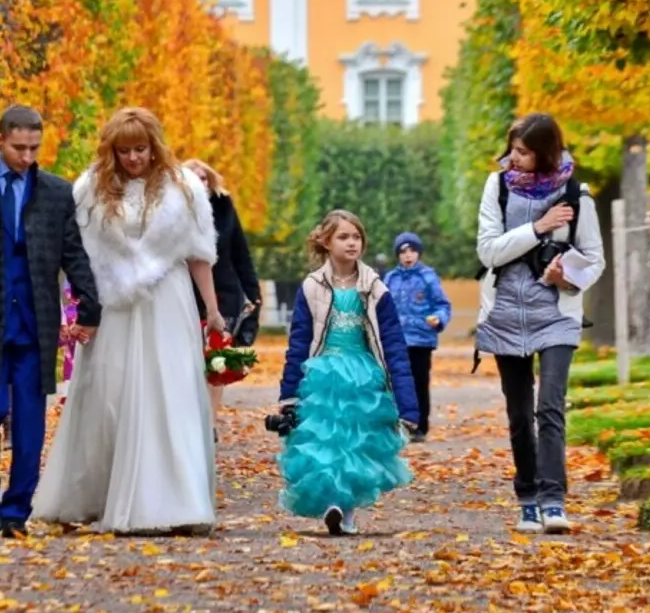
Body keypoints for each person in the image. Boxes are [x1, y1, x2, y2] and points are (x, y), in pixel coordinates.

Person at [33, 107, 226, 535]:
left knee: (169, 392)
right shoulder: (89, 189)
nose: (134, 158)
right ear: (112, 151)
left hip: (168, 300)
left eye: (140, 149)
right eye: (124, 151)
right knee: (108, 393)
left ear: (154, 145)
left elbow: (199, 254)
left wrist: (212, 310)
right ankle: (93, 496)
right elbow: (77, 254)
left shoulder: (186, 189)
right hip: (113, 302)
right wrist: (81, 308)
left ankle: (178, 501)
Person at [0, 105, 102, 540]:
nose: (28, 156)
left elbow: (73, 254)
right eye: (19, 148)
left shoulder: (56, 193)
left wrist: (90, 308)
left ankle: (16, 512)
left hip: (36, 324)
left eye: (35, 148)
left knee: (31, 428)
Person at [475, 113, 604, 534]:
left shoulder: (576, 194)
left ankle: (553, 500)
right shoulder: (496, 188)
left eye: (524, 151)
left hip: (556, 315)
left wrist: (565, 276)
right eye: (512, 148)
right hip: (505, 314)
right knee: (518, 414)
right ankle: (527, 496)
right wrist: (538, 228)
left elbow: (594, 257)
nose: (513, 158)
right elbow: (489, 252)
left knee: (550, 406)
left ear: (545, 152)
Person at [276, 210, 419, 536]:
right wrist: (288, 394)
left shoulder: (375, 288)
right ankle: (332, 506)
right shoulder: (312, 286)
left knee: (357, 444)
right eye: (343, 237)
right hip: (322, 374)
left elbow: (394, 346)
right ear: (326, 242)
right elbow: (298, 341)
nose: (351, 243)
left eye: (356, 237)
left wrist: (407, 405)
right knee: (326, 442)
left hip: (363, 376)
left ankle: (348, 513)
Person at [184, 159, 261, 440]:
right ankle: (190, 415)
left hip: (224, 293)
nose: (201, 183)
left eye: (205, 178)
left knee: (216, 357)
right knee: (189, 358)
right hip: (186, 295)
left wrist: (253, 294)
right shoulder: (175, 212)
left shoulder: (224, 207)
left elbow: (241, 253)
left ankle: (210, 422)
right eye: (194, 177)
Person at [384, 232, 452, 443]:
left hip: (421, 339)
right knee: (395, 382)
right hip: (396, 339)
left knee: (419, 382)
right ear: (397, 255)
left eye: (412, 250)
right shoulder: (390, 278)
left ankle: (420, 426)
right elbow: (381, 306)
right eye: (403, 251)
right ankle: (398, 422)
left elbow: (443, 305)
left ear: (418, 253)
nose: (408, 255)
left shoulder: (427, 276)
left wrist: (437, 319)